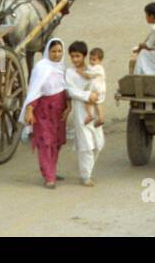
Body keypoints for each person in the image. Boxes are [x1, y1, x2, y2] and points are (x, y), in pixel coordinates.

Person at [21, 38, 69, 189]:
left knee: (56, 142)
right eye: (53, 51)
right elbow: (34, 92)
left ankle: (52, 171)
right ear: (47, 52)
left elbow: (67, 90)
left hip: (59, 112)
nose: (56, 54)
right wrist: (29, 111)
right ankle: (48, 176)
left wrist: (69, 108)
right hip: (43, 112)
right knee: (45, 142)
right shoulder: (41, 68)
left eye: (59, 51)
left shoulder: (63, 68)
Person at [65, 41, 105, 186]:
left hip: (94, 109)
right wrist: (87, 95)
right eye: (72, 57)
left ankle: (89, 169)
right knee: (86, 144)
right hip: (81, 112)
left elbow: (100, 84)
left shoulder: (92, 69)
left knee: (99, 143)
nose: (75, 59)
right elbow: (70, 91)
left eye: (78, 56)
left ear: (84, 56)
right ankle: (85, 175)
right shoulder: (69, 72)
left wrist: (97, 97)